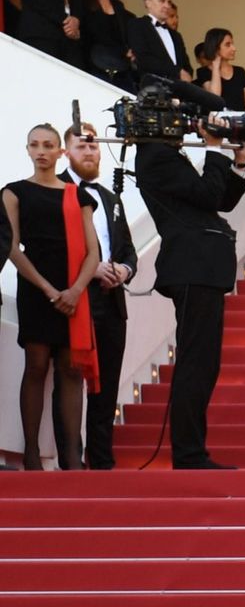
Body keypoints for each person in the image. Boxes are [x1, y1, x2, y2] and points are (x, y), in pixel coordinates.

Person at [134, 121, 245, 470]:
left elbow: (218, 201)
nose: (184, 125)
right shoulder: (155, 156)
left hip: (203, 269)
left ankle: (192, 451)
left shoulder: (168, 157)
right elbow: (210, 194)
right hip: (192, 267)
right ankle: (189, 454)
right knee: (197, 362)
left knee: (204, 362)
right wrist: (214, 147)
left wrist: (238, 163)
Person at [6, 124, 101, 471]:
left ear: (61, 151)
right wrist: (48, 290)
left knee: (71, 370)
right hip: (35, 286)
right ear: (27, 150)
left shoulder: (78, 195)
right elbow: (11, 248)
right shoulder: (14, 192)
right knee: (36, 364)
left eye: (48, 145)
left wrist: (75, 291)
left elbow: (94, 251)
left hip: (73, 290)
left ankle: (73, 457)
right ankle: (31, 454)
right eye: (35, 145)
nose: (41, 150)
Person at [60, 125, 135, 472]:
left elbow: (128, 251)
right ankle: (70, 460)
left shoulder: (111, 197)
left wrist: (123, 270)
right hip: (76, 301)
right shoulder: (55, 190)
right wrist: (91, 270)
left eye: (94, 146)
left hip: (112, 303)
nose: (90, 151)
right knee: (69, 381)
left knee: (106, 385)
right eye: (82, 146)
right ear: (67, 151)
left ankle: (102, 460)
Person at [124, 0, 188, 82]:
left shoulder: (176, 35)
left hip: (180, 90)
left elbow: (186, 66)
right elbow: (143, 58)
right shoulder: (137, 25)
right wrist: (177, 71)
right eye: (162, 1)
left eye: (169, 2)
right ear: (148, 3)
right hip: (153, 88)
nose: (167, 5)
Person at [193, 27, 245, 111]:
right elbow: (214, 97)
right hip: (217, 121)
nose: (234, 48)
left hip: (241, 121)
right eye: (228, 45)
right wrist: (216, 66)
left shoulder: (240, 71)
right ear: (216, 47)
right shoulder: (203, 72)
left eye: (232, 44)